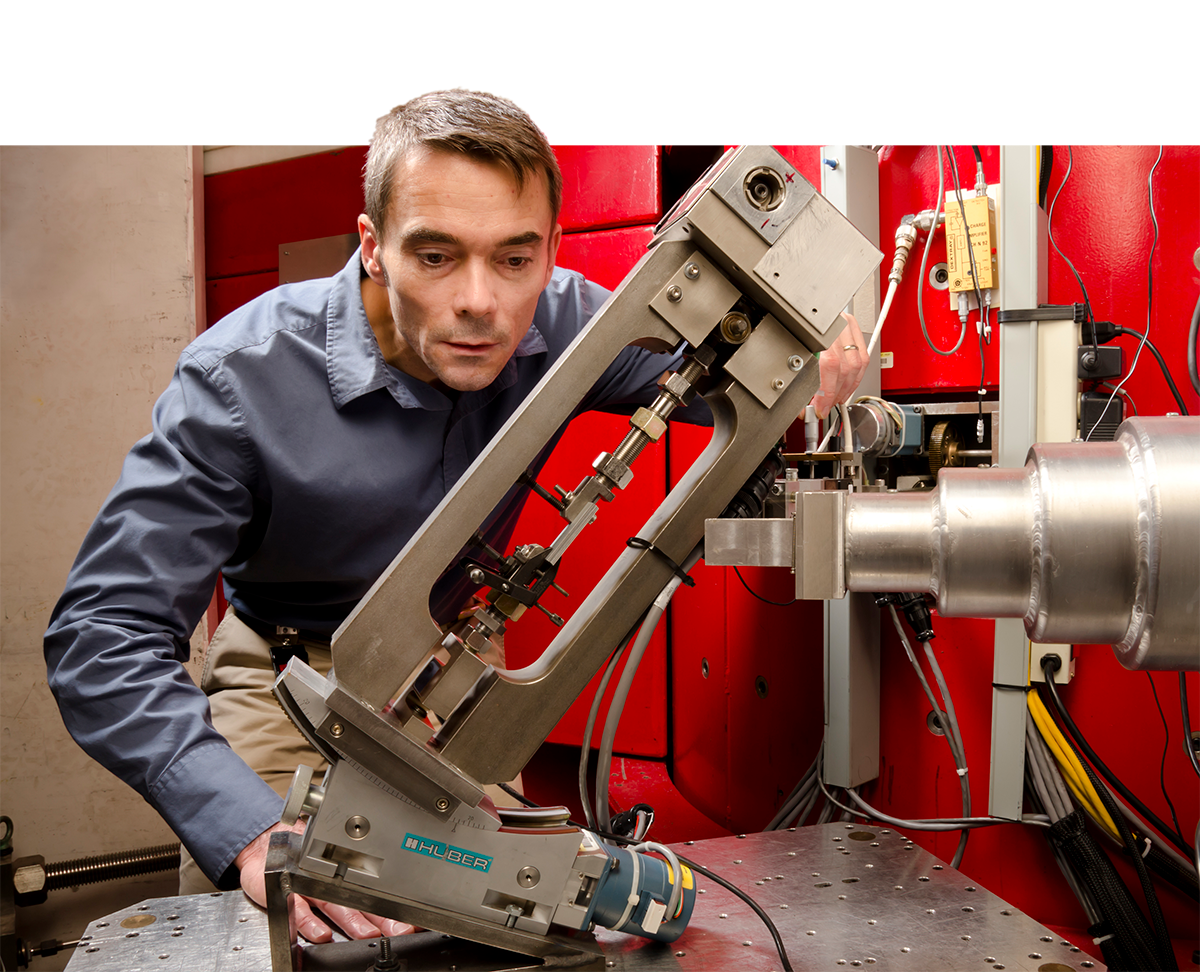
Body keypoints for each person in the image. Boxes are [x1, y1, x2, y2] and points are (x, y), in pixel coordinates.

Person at [44, 90, 867, 944]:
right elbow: (102, 635)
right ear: (373, 248)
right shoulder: (239, 379)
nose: (481, 303)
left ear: (551, 251)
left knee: (494, 934)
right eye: (435, 256)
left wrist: (814, 346)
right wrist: (246, 827)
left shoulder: (568, 325)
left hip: (460, 691)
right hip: (289, 685)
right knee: (288, 940)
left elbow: (737, 386)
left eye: (515, 259)